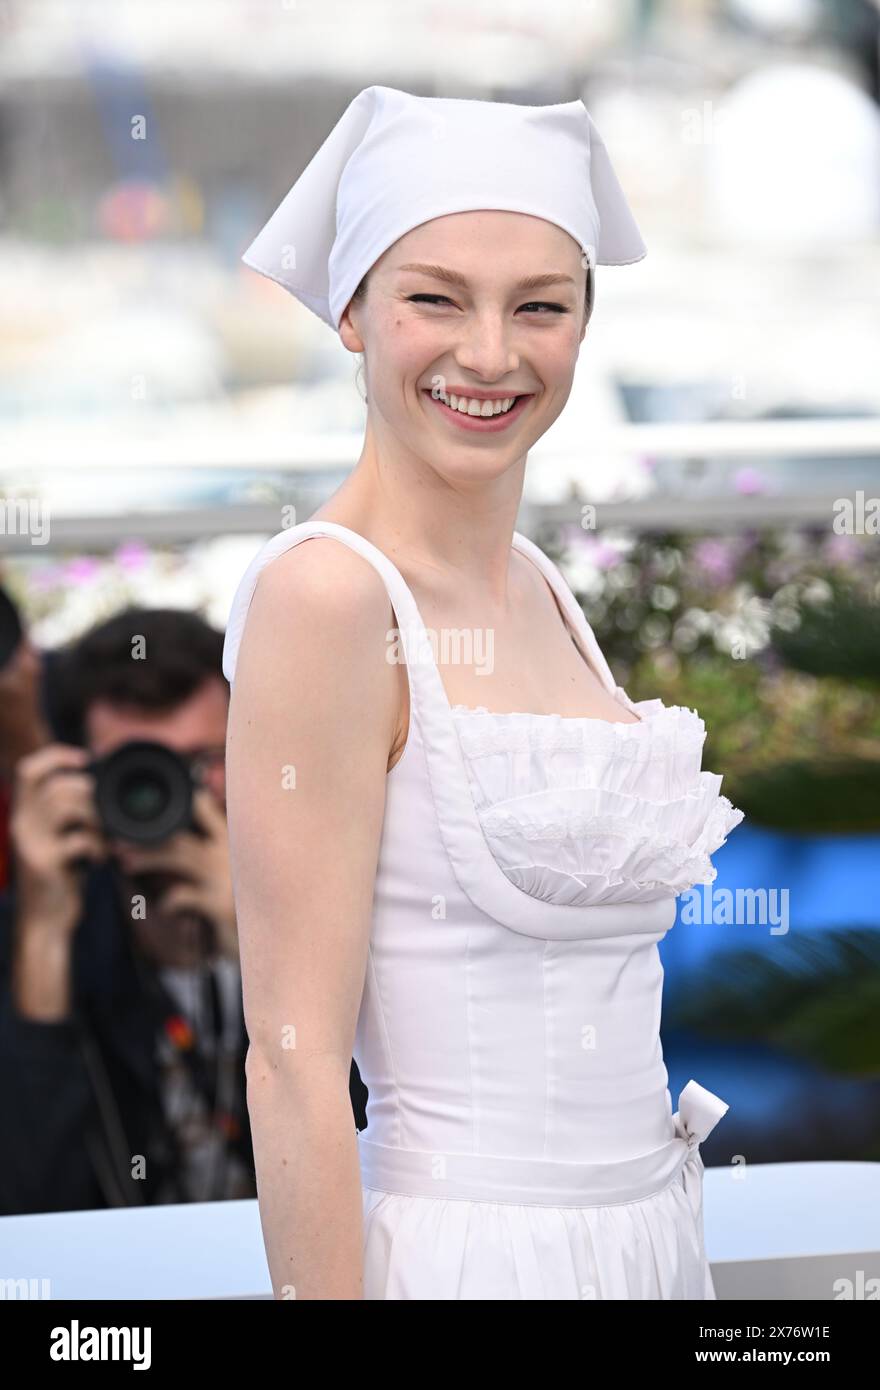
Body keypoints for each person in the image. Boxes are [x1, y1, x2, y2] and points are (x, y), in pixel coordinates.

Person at [223, 84, 744, 1300]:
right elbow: (290, 1061)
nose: (491, 354)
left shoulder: (539, 583)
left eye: (540, 307)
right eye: (434, 299)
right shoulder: (328, 598)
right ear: (351, 314)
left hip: (647, 1249)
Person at [0, 604, 368, 1214]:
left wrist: (255, 938)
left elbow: (367, 1161)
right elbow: (26, 1209)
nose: (167, 795)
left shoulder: (336, 919)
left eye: (202, 764)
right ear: (75, 772)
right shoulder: (35, 932)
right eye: (134, 770)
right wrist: (41, 940)